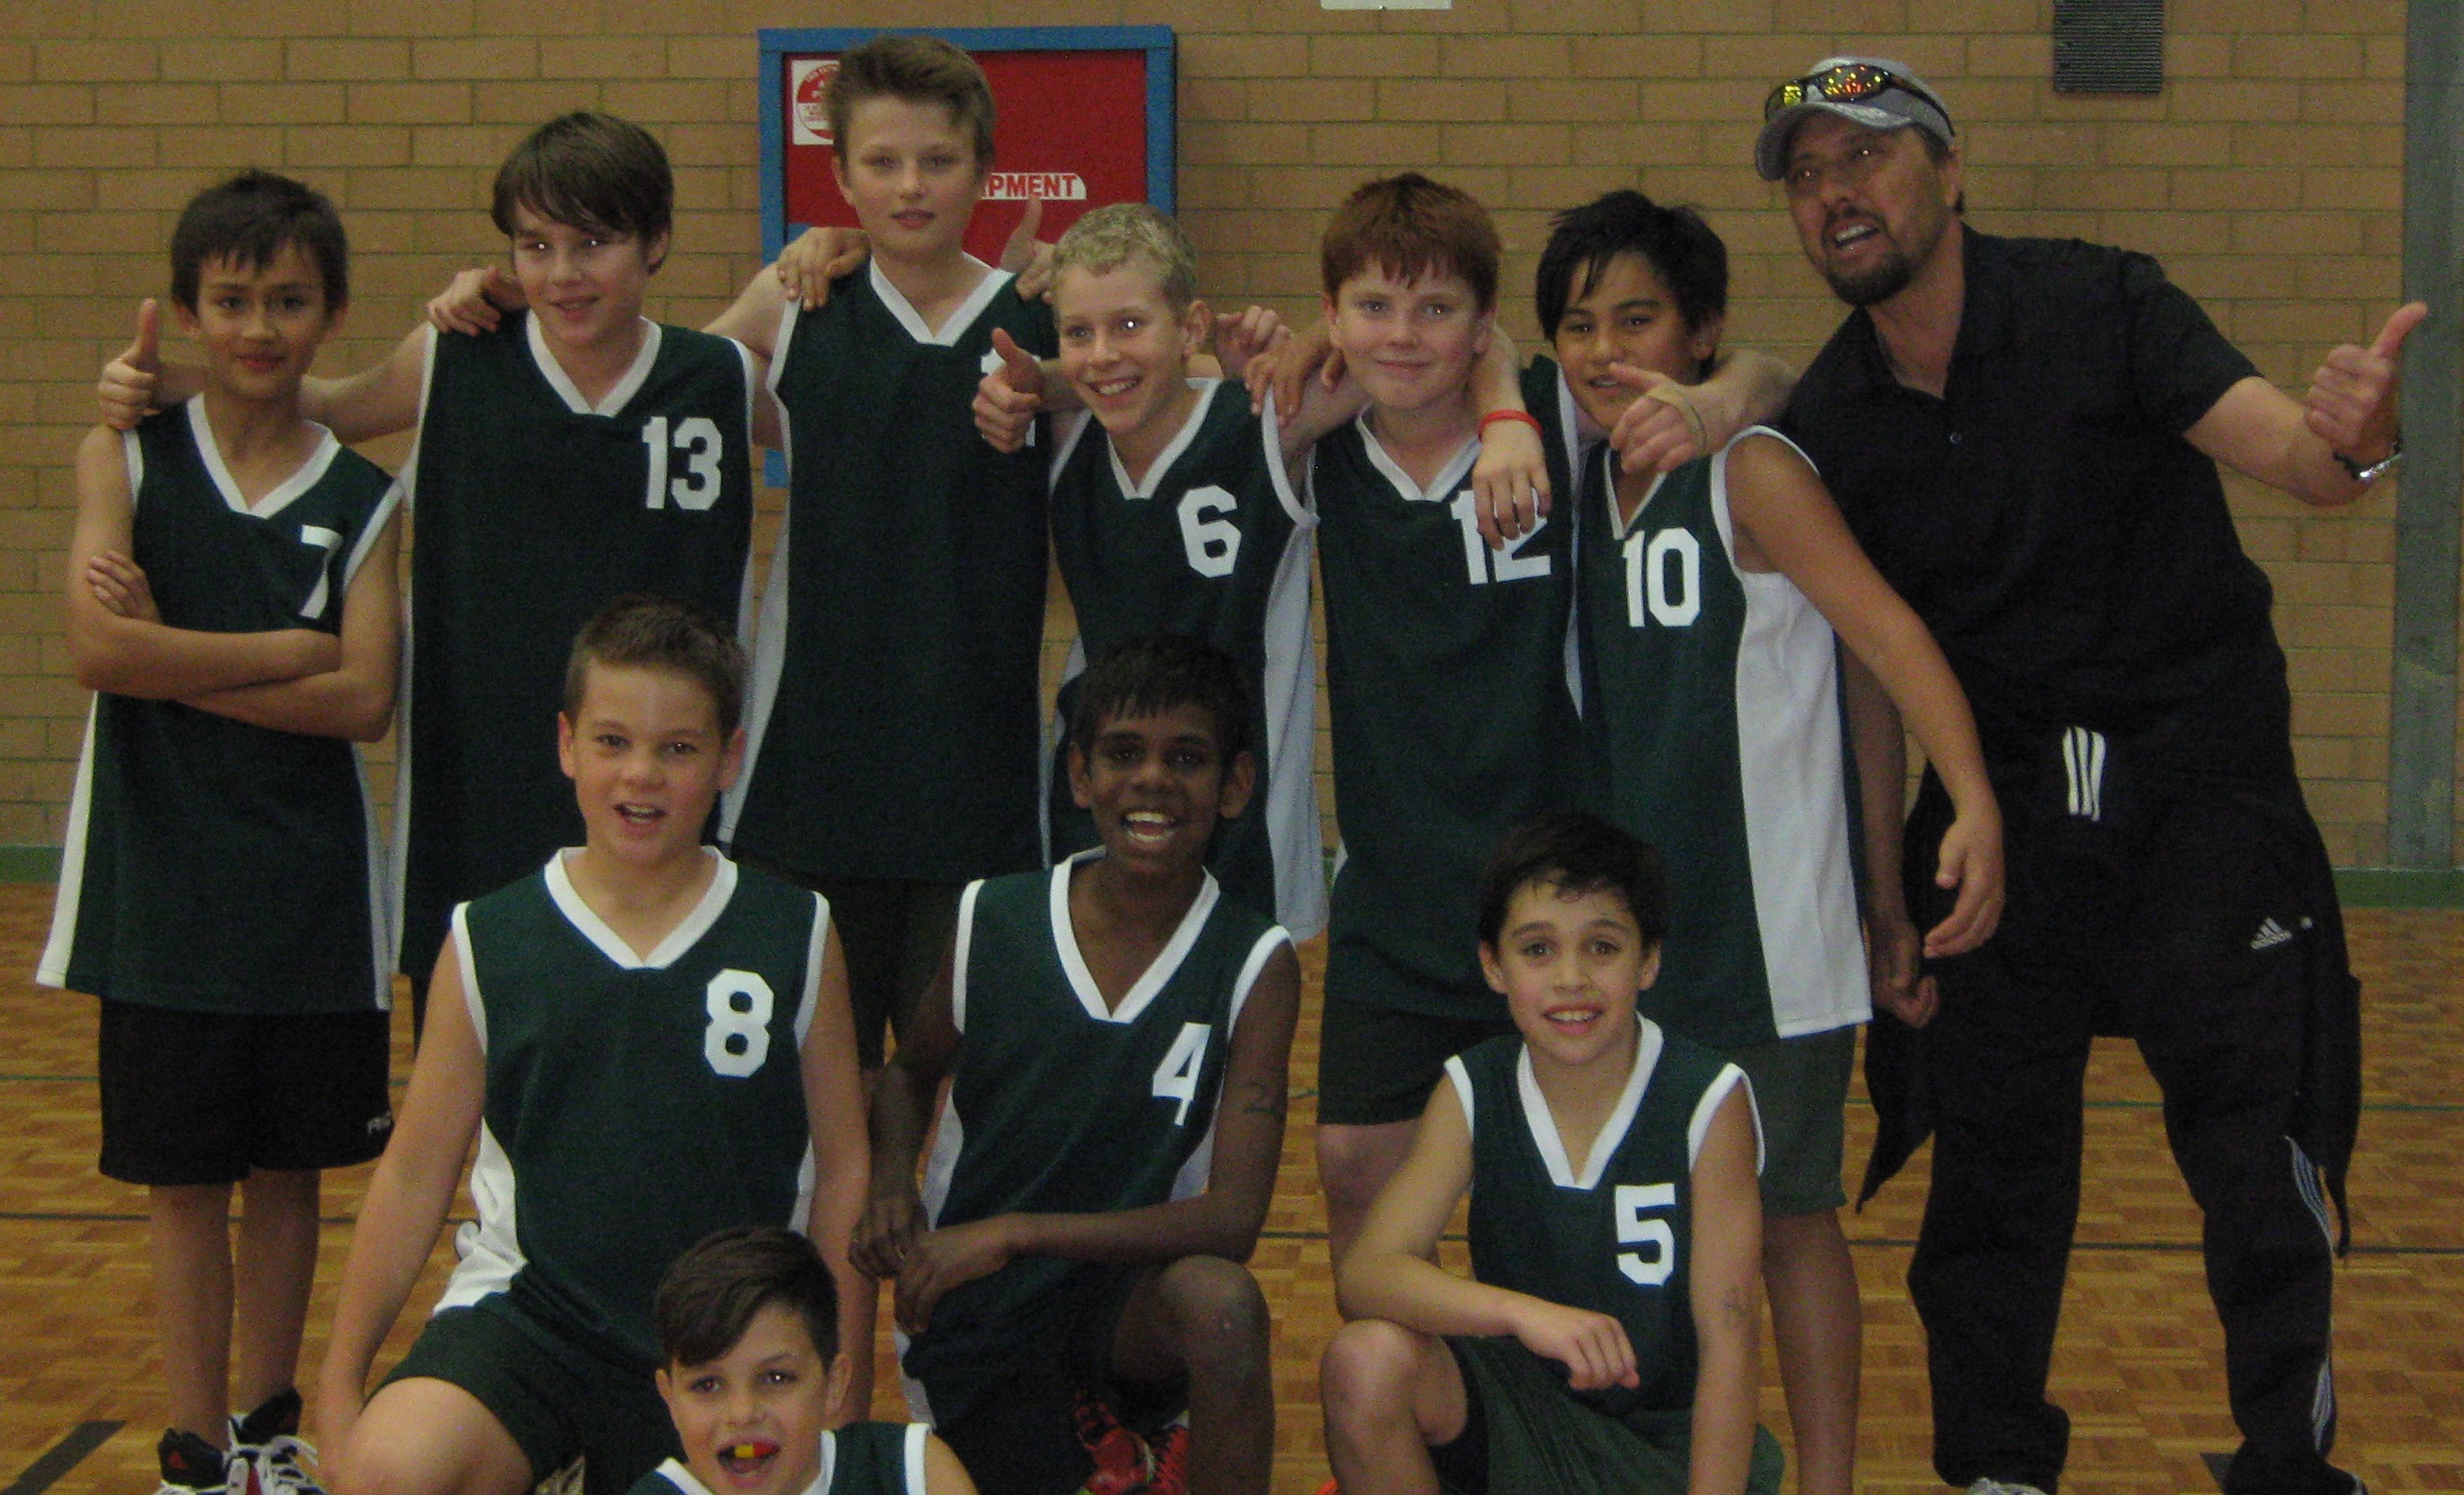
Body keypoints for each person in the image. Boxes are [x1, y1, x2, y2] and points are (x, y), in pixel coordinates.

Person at [1760, 56, 2413, 1495]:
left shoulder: (2103, 302)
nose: (1835, 194)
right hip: (2001, 822)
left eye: (1864, 157)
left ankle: (2287, 1467)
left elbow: (2296, 462)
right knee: (1989, 1170)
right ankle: (1997, 1467)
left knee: (2257, 1155)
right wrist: (1882, 898)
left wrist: (2354, 447)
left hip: (2201, 791)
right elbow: (1870, 666)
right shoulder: (1834, 418)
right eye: (1807, 177)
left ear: (1948, 171)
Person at [96, 112, 769, 1030]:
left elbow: (867, 419)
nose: (562, 273)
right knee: (473, 1076)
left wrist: (825, 256)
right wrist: (157, 386)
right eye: (535, 245)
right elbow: (318, 406)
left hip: (664, 783)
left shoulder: (723, 378)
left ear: (656, 242)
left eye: (593, 243)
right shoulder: (456, 355)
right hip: (476, 784)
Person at [1536, 188, 2002, 1495]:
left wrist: (1956, 813)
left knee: (1791, 1221)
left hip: (1769, 931)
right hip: (1641, 937)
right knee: (1681, 1228)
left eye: (1638, 318)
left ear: (1701, 335)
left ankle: (1833, 1481)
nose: (1604, 347)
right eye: (1580, 323)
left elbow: (1887, 647)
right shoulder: (1586, 482)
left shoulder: (1750, 471)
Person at [316, 596, 870, 1495]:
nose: (640, 776)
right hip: (540, 1321)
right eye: (612, 742)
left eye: (677, 749)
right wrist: (340, 1383)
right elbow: (415, 1172)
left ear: (728, 757)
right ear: (567, 744)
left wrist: (843, 1381)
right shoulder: (489, 937)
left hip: (733, 1339)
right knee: (390, 1469)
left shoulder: (794, 931)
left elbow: (844, 1169)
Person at [44, 169, 403, 1495]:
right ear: (191, 311)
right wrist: (273, 649)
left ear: (332, 313)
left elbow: (364, 698)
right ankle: (194, 1451)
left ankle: (266, 1431)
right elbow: (94, 649)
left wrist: (163, 651)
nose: (261, 326)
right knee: (183, 1186)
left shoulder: (363, 496)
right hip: (159, 892)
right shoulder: (124, 457)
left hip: (308, 898)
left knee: (288, 1176)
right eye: (235, 300)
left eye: (290, 301)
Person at [855, 634, 1301, 1495]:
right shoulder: (996, 916)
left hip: (1126, 1312)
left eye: (1188, 757)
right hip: (972, 1311)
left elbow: (1235, 1220)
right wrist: (888, 1182)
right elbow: (909, 1072)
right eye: (1124, 753)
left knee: (1224, 1308)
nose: (1153, 780)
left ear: (1236, 784)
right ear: (1080, 775)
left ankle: (1138, 1442)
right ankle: (1118, 1462)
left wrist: (1019, 1230)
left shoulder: (1255, 960)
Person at [702, 33, 1062, 1080]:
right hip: (814, 776)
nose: (911, 186)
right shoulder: (796, 308)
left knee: (956, 1095)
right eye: (882, 162)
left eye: (938, 161)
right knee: (813, 1094)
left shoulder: (1037, 322)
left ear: (985, 172)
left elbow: (1185, 373)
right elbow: (663, 379)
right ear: (840, 175)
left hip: (977, 777)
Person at [1321, 811, 1782, 1495]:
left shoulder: (1708, 1100)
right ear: (1493, 965)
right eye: (1538, 949)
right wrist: (1520, 1312)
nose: (1571, 978)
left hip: (1666, 1445)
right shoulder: (1473, 1088)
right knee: (1366, 1361)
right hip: (1523, 1421)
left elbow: (1731, 1338)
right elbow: (1366, 1272)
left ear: (1649, 959)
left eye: (1602, 946)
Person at [972, 200, 1338, 936]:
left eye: (1130, 325)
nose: (1103, 353)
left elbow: (1398, 344)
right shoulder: (1068, 432)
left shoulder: (1266, 421)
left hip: (1242, 811)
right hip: (1098, 795)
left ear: (1193, 326)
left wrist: (1306, 341)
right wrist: (1043, 381)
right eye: (1081, 332)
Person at [633, 1227, 977, 1495]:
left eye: (776, 1378)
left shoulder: (911, 1471)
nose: (742, 1413)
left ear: (833, 1385)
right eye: (707, 1384)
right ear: (671, 1399)